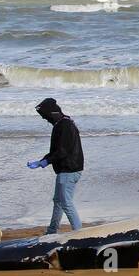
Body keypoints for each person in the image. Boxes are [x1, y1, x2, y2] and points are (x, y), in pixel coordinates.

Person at [27, 97, 85, 234]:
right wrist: (42, 160)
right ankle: (52, 231)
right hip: (68, 169)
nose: (45, 119)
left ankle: (79, 233)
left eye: (45, 116)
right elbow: (57, 150)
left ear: (52, 113)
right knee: (58, 200)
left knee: (65, 202)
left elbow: (63, 151)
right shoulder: (63, 124)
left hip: (69, 170)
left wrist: (46, 162)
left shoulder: (65, 125)